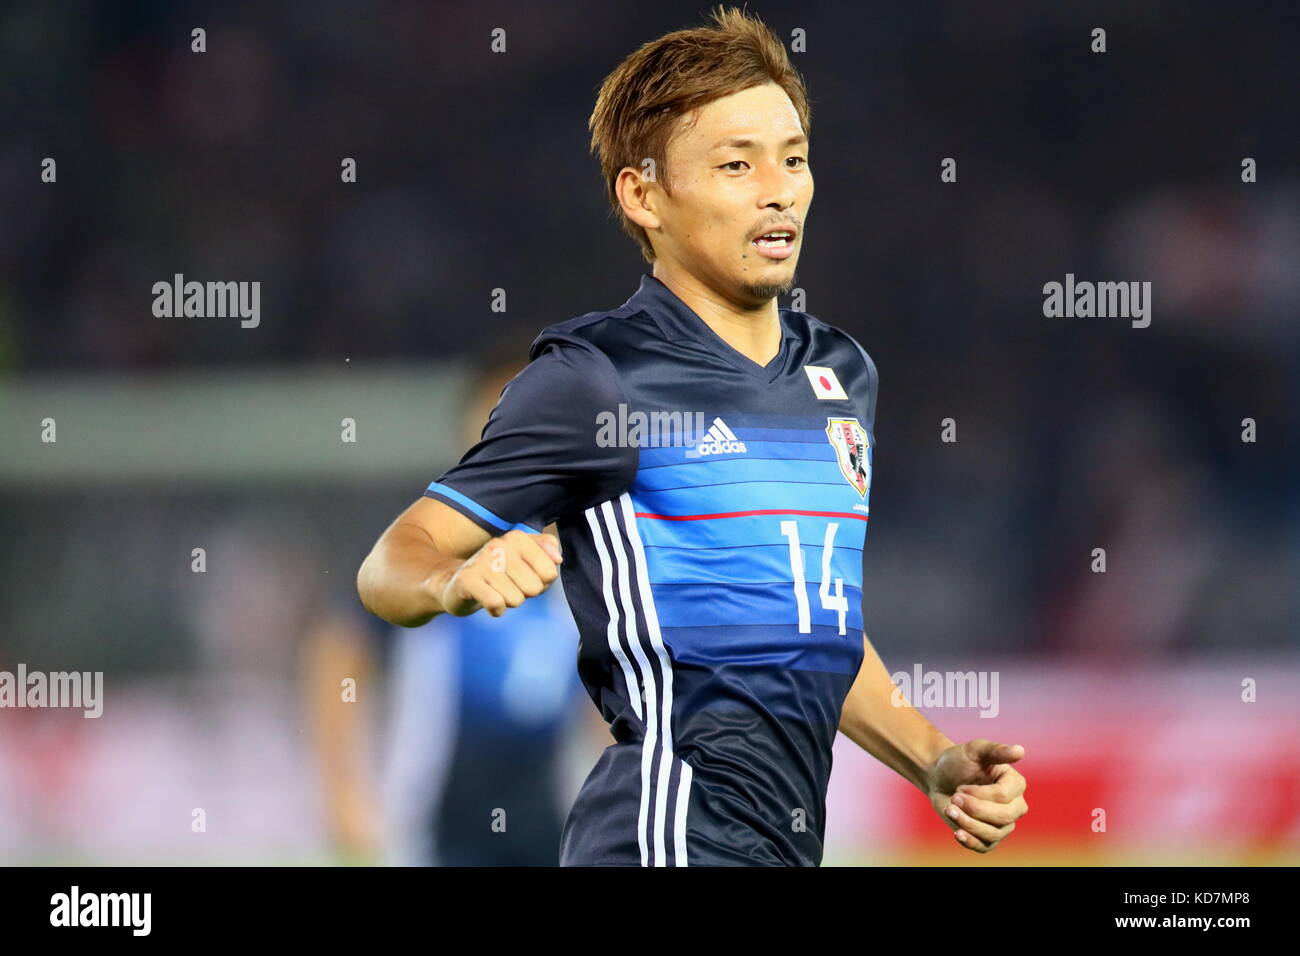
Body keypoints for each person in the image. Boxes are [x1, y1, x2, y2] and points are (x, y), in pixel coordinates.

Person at [358, 6, 1027, 866]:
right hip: (664, 836)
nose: (778, 189)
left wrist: (929, 757)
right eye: (736, 165)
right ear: (644, 196)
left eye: (792, 159)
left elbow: (808, 627)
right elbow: (389, 565)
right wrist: (456, 579)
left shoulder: (842, 375)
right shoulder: (596, 377)